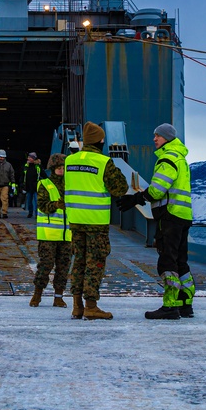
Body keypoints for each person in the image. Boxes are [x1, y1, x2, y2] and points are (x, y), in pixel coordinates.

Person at [120, 123, 194, 320]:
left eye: (158, 136)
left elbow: (157, 190)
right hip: (183, 215)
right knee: (181, 261)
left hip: (169, 215)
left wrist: (136, 198)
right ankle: (185, 303)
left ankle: (170, 306)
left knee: (167, 261)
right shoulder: (181, 158)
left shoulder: (167, 158)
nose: (154, 139)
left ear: (167, 138)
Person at [65, 121, 128, 320]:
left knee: (79, 261)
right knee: (95, 262)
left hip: (76, 220)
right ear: (100, 141)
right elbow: (120, 188)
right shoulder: (103, 162)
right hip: (96, 222)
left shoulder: (69, 161)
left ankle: (77, 306)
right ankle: (91, 306)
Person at [30, 153, 72, 308]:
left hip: (66, 235)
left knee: (64, 266)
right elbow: (42, 205)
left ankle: (58, 297)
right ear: (52, 168)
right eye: (58, 167)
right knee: (46, 264)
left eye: (63, 168)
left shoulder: (70, 186)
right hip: (49, 234)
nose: (61, 170)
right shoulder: (44, 184)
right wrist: (55, 205)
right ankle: (37, 294)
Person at [22, 152, 42, 218]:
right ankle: (30, 212)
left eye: (30, 157)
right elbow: (23, 176)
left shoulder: (38, 166)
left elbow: (43, 174)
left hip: (36, 187)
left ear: (33, 159)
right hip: (28, 186)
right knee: (29, 201)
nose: (28, 158)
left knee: (36, 201)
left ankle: (36, 214)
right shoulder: (26, 166)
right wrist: (22, 185)